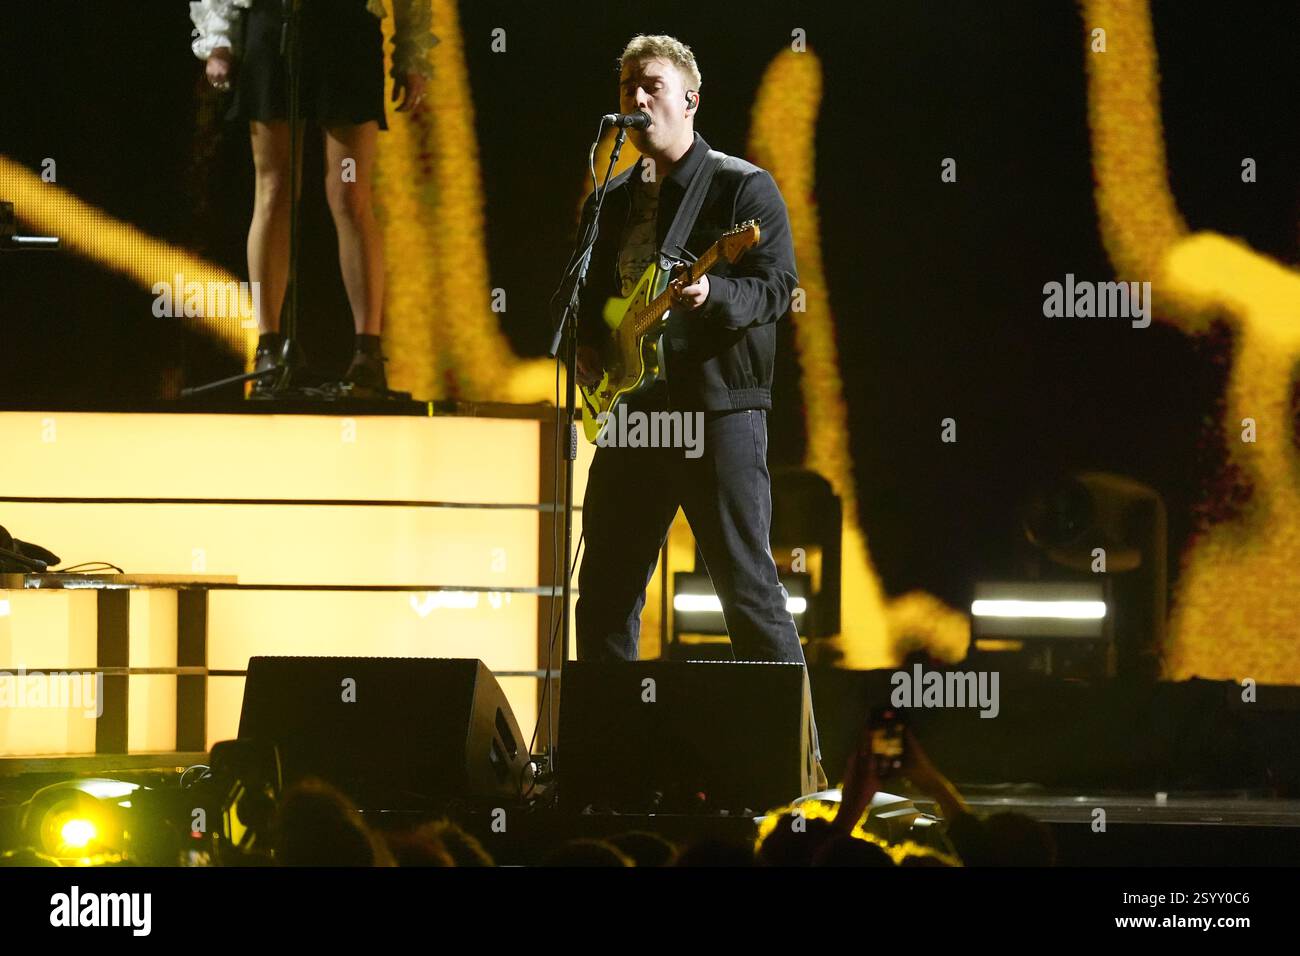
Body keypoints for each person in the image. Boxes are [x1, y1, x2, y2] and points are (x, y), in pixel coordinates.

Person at [571, 34, 824, 785]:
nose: (636, 99)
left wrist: (716, 294)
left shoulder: (742, 191)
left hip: (718, 415)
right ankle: (607, 766)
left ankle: (801, 768)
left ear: (690, 98)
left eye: (650, 85)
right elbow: (591, 300)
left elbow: (776, 289)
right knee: (607, 592)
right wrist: (586, 348)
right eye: (626, 88)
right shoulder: (612, 202)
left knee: (748, 589)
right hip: (635, 414)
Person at [190, 0, 437, 397]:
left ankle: (367, 352)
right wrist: (218, 41)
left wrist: (411, 50)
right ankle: (269, 348)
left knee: (349, 195)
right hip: (275, 23)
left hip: (348, 26)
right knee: (273, 190)